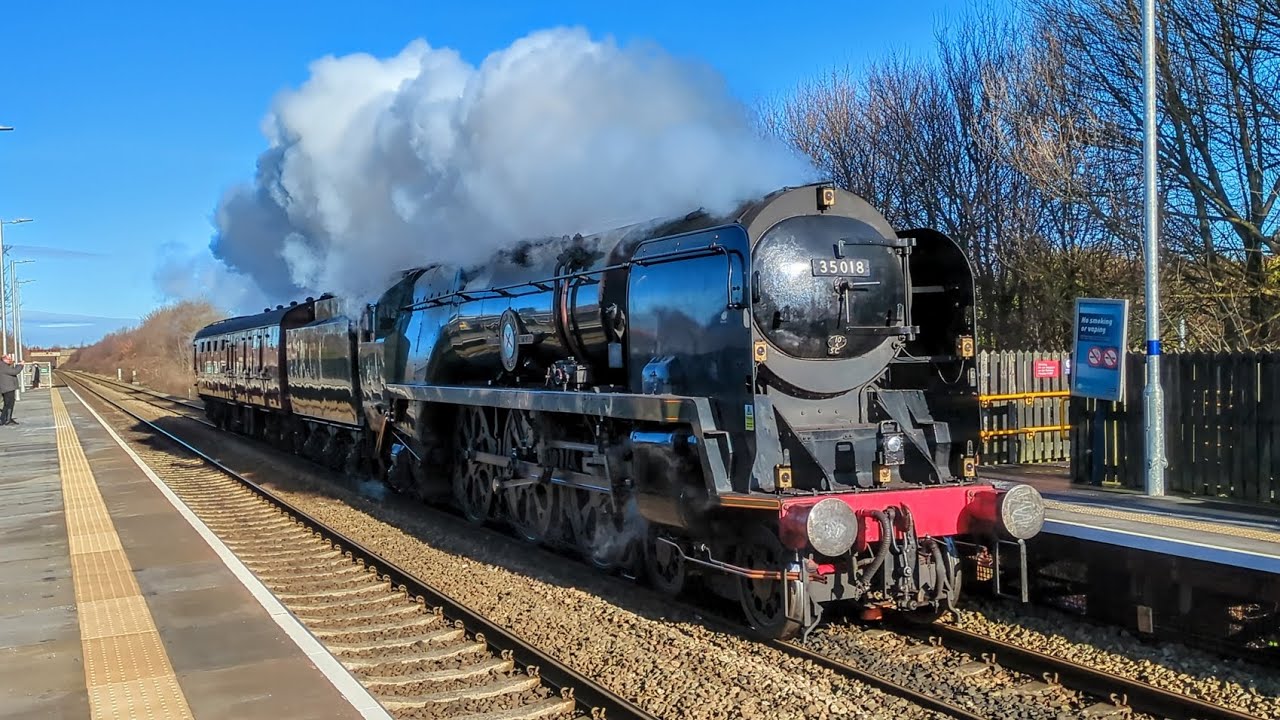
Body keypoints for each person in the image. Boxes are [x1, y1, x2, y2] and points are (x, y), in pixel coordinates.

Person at [0, 354, 23, 426]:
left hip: (8, 388)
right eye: (9, 359)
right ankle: (5, 419)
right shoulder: (2, 366)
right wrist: (21, 365)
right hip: (7, 388)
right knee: (8, 404)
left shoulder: (4, 366)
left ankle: (8, 419)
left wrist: (16, 365)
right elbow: (14, 372)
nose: (10, 360)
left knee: (9, 404)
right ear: (4, 359)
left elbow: (12, 370)